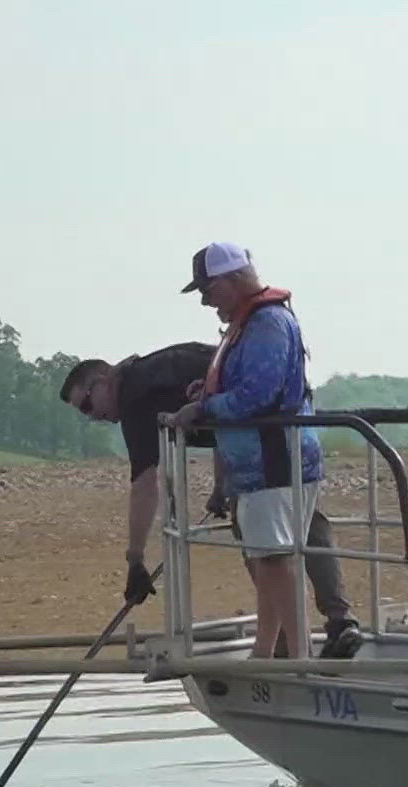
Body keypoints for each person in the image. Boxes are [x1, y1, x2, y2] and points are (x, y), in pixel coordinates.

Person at [60, 344, 362, 658]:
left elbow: (145, 483)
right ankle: (331, 623)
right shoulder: (156, 374)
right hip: (292, 418)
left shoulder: (135, 394)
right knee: (299, 524)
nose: (94, 416)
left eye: (87, 405)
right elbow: (221, 418)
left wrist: (135, 560)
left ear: (104, 379)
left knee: (267, 548)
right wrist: (220, 484)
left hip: (267, 435)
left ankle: (295, 646)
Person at [160, 243, 327, 660]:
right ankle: (266, 649)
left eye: (207, 289)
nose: (204, 300)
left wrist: (202, 408)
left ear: (232, 280)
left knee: (273, 560)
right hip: (265, 463)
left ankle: (299, 655)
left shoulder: (267, 323)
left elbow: (259, 394)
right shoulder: (251, 323)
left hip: (273, 459)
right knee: (266, 560)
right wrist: (210, 392)